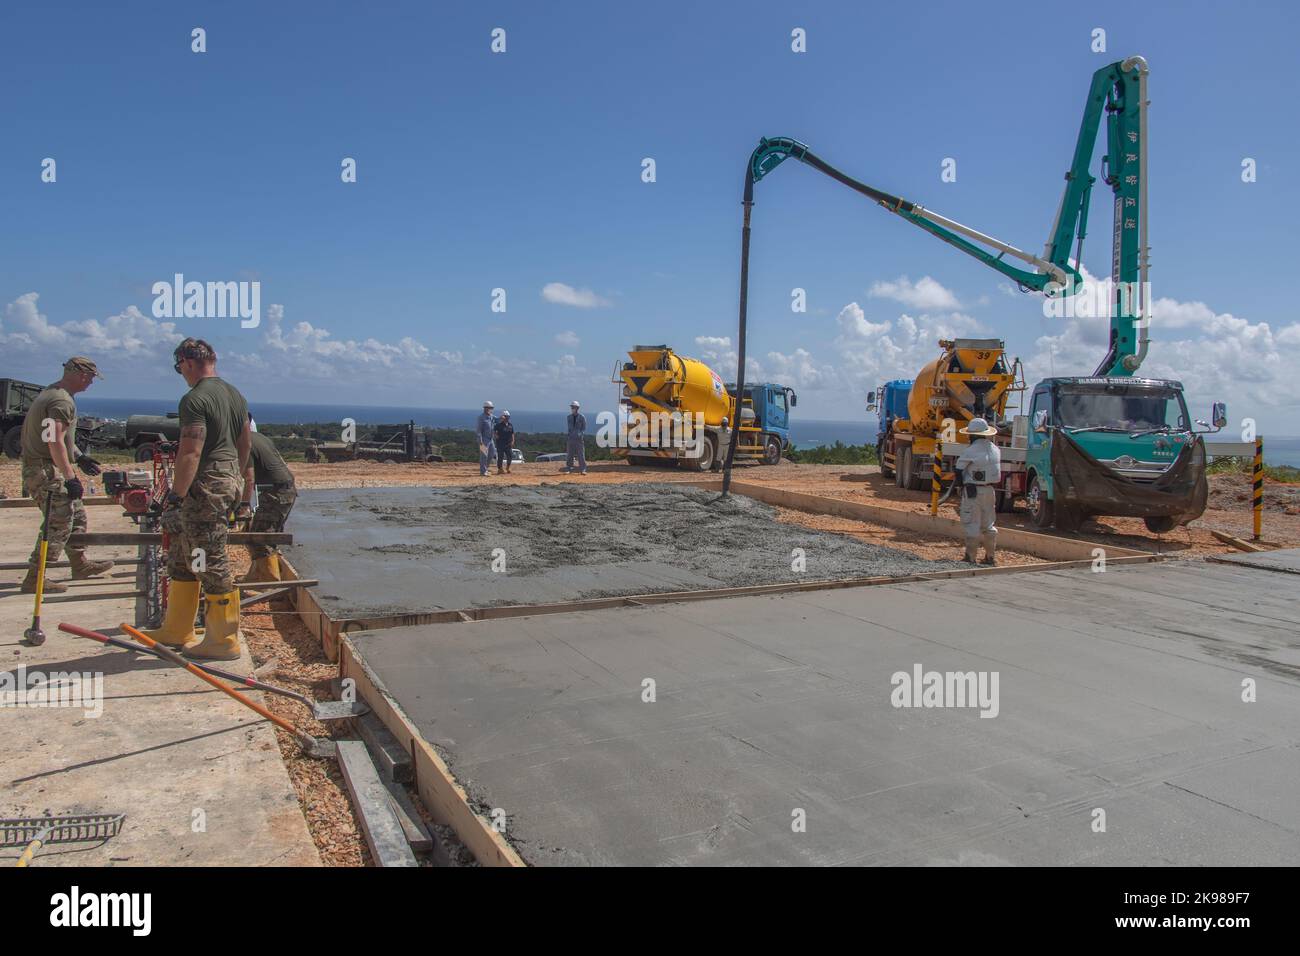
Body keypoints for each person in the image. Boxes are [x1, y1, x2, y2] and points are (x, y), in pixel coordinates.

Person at [142, 338, 251, 661]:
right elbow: (245, 443)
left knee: (210, 557)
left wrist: (174, 498)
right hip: (226, 479)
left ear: (188, 362)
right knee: (182, 553)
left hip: (203, 486)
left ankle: (223, 639)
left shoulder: (195, 399)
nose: (181, 374)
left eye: (179, 369)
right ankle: (177, 628)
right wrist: (237, 477)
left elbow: (191, 451)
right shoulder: (235, 394)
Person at [19, 357, 114, 593]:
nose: (91, 382)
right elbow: (54, 440)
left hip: (47, 465)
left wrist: (79, 457)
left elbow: (57, 437)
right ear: (80, 374)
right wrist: (70, 477)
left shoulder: (53, 392)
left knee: (77, 516)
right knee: (58, 521)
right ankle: (35, 577)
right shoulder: (61, 400)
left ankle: (79, 564)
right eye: (91, 377)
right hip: (46, 469)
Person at [237, 419, 296, 583]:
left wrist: (243, 507)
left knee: (260, 538)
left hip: (276, 493)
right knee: (257, 534)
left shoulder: (243, 443)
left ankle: (270, 581)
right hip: (283, 490)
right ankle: (257, 574)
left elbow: (249, 480)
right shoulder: (260, 437)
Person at [954, 417, 1002, 565]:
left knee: (971, 523)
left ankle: (970, 557)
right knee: (988, 524)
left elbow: (958, 470)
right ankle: (990, 557)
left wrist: (961, 486)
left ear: (972, 435)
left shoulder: (971, 450)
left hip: (973, 490)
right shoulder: (995, 449)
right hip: (990, 490)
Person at [565, 401, 587, 475]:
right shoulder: (569, 417)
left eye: (573, 407)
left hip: (579, 439)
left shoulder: (582, 417)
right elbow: (569, 428)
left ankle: (583, 469)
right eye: (571, 407)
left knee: (581, 455)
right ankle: (569, 468)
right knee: (570, 454)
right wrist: (569, 435)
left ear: (577, 408)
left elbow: (584, 428)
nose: (572, 408)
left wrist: (581, 434)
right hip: (571, 438)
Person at [477, 401, 496, 477]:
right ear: (485, 408)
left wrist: (502, 417)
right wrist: (480, 439)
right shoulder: (481, 417)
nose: (491, 409)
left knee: (492, 453)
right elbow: (479, 430)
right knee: (484, 455)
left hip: (490, 439)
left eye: (492, 408)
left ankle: (486, 469)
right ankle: (483, 471)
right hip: (484, 439)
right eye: (489, 408)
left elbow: (497, 420)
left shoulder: (491, 416)